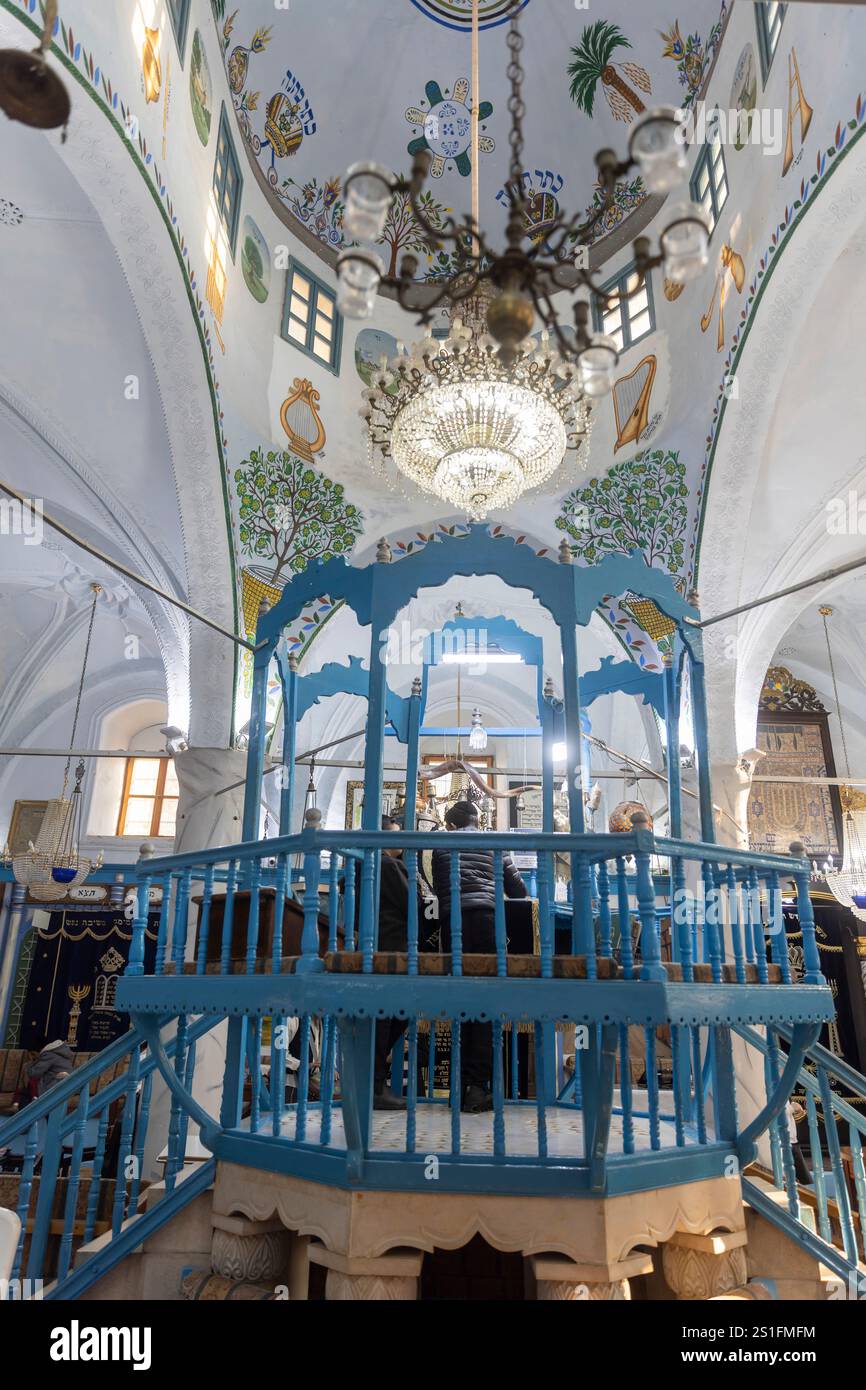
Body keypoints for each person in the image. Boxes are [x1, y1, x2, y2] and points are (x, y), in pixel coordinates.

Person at [432, 800, 527, 1113]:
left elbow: (439, 887)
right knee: (485, 1004)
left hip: (453, 926)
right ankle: (476, 1087)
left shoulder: (441, 846)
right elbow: (518, 892)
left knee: (462, 1000)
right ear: (477, 819)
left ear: (451, 824)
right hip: (487, 922)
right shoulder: (495, 843)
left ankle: (458, 1087)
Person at [372, 814, 428, 1110]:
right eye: (393, 834)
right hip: (392, 949)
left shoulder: (364, 862)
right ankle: (375, 1087)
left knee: (386, 1016)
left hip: (378, 946)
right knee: (389, 1015)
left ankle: (372, 1082)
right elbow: (412, 902)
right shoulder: (388, 865)